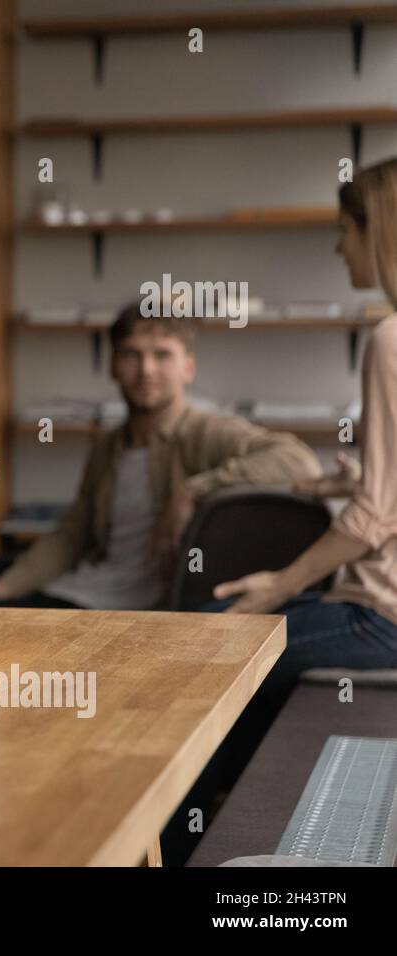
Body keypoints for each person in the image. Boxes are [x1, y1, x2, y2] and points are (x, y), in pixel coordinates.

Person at [0, 302, 321, 610]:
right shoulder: (107, 447)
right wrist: (1, 592)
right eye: (131, 354)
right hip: (86, 583)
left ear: (188, 367)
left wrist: (191, 490)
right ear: (112, 366)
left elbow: (298, 461)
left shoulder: (206, 430)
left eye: (162, 354)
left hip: (129, 609)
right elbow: (71, 536)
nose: (146, 370)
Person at [212, 157, 397, 709]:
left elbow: (376, 519)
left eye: (344, 230)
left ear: (378, 231)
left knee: (206, 646)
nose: (338, 248)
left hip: (380, 619)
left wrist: (279, 585)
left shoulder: (389, 340)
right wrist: (351, 483)